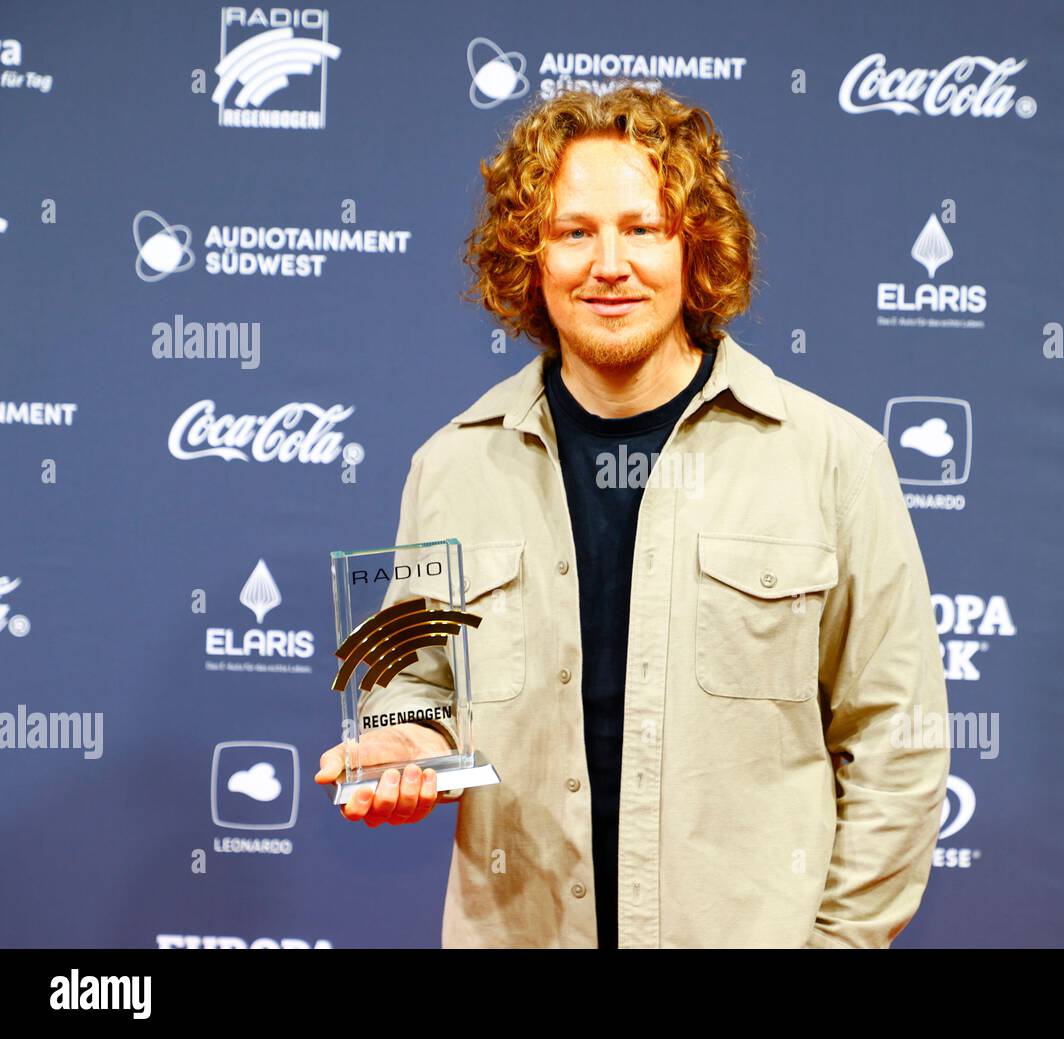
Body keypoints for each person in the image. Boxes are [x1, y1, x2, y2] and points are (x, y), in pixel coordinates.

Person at [315, 84, 950, 949]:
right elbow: (414, 677)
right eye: (575, 231)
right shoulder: (453, 467)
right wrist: (401, 741)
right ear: (529, 256)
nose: (608, 263)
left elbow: (895, 742)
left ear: (696, 246)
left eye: (642, 228)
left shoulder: (832, 460)